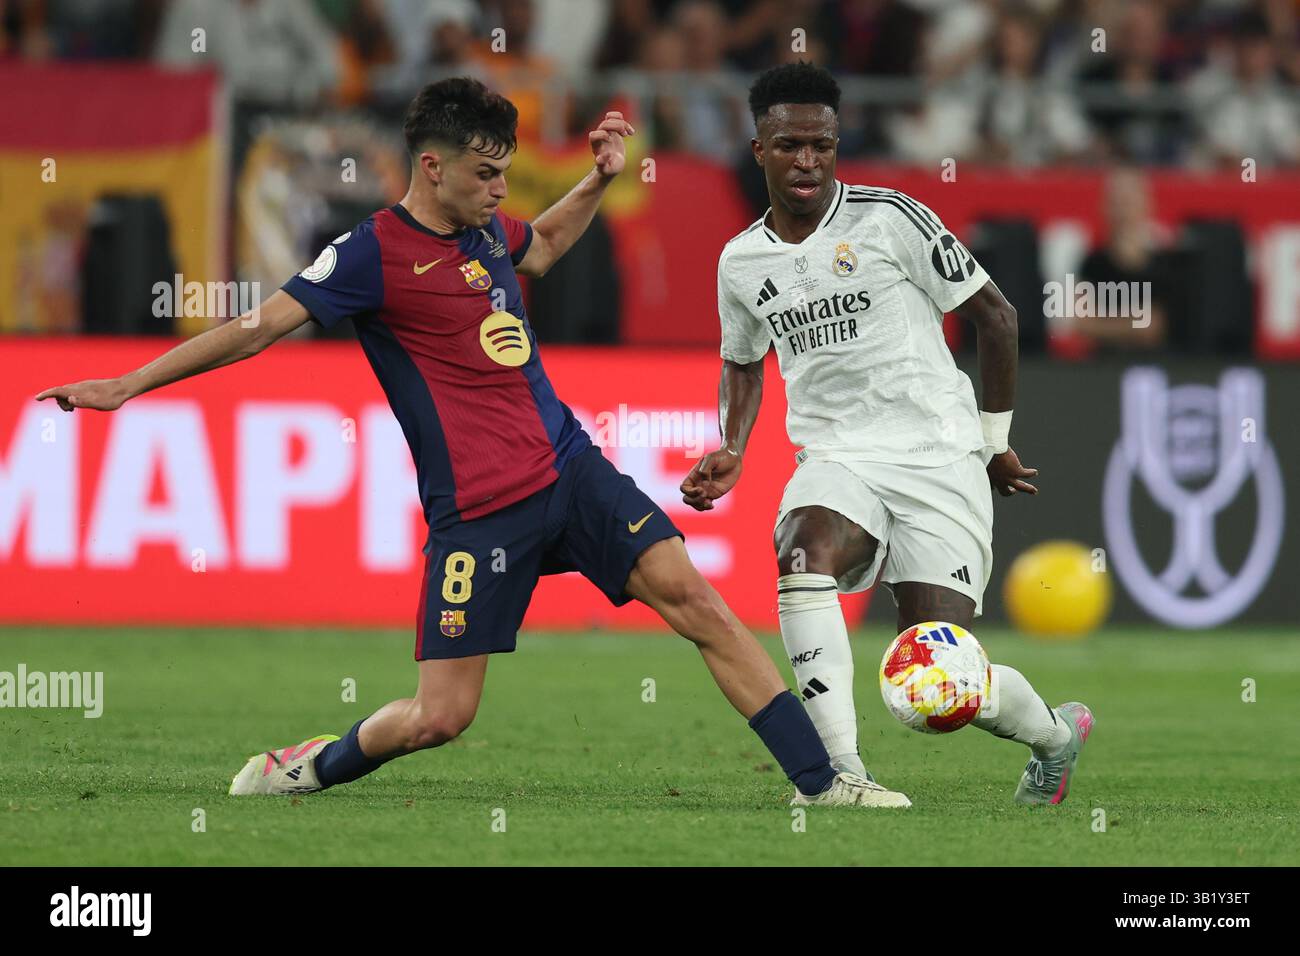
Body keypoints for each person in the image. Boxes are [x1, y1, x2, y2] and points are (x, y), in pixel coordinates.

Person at [36, 77, 902, 809]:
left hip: (569, 469)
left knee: (701, 604)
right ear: (432, 166)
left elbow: (550, 243)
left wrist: (599, 178)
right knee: (439, 718)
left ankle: (824, 784)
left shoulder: (486, 227)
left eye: (505, 174)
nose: (499, 190)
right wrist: (126, 384)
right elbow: (261, 327)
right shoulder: (371, 253)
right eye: (487, 174)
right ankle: (311, 766)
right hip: (481, 514)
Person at [681, 62, 1093, 806]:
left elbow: (997, 317)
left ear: (836, 146)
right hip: (838, 454)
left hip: (938, 454)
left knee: (937, 689)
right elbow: (742, 362)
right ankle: (835, 776)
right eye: (789, 146)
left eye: (821, 145)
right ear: (759, 152)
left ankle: (1055, 736)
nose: (807, 160)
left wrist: (992, 439)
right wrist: (733, 446)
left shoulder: (890, 218)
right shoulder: (741, 261)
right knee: (801, 549)